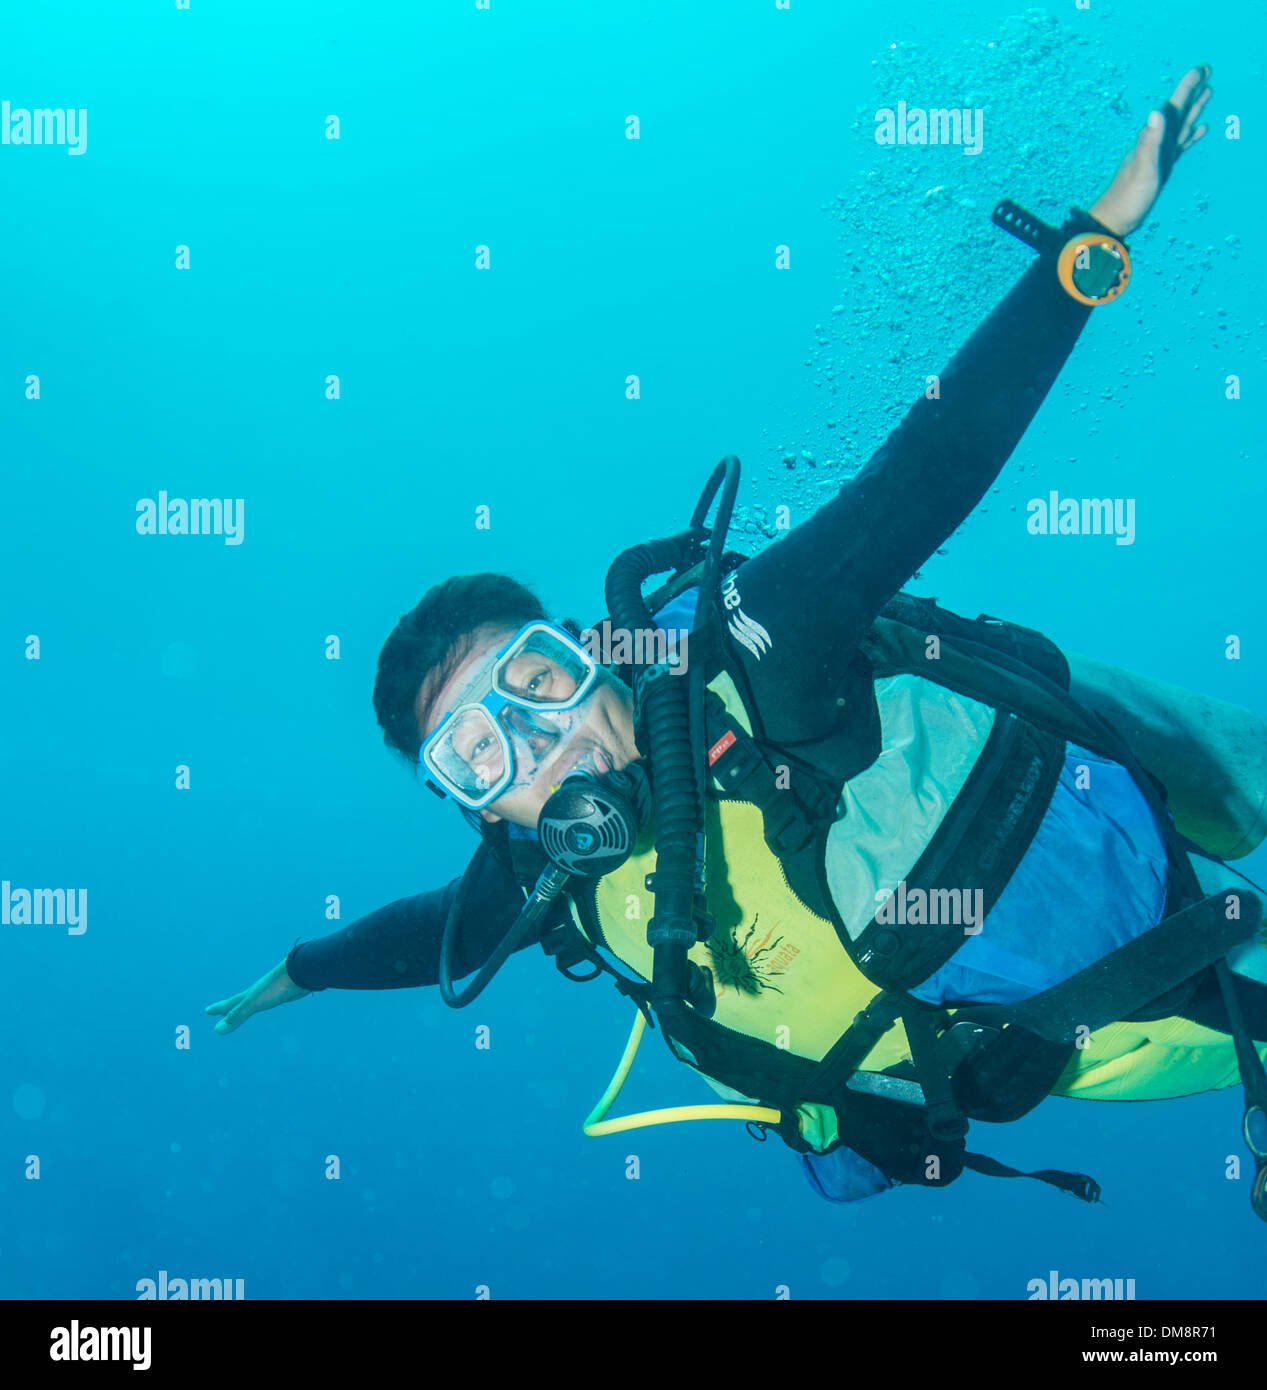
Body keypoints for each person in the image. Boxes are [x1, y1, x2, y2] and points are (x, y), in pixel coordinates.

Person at [207, 65, 1267, 1211]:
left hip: (1148, 874)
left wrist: (1090, 240)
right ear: (474, 802)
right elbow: (431, 936)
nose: (537, 745)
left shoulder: (757, 649)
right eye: (479, 753)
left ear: (585, 652)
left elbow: (923, 472)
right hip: (1093, 1039)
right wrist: (304, 972)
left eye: (533, 681)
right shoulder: (546, 877)